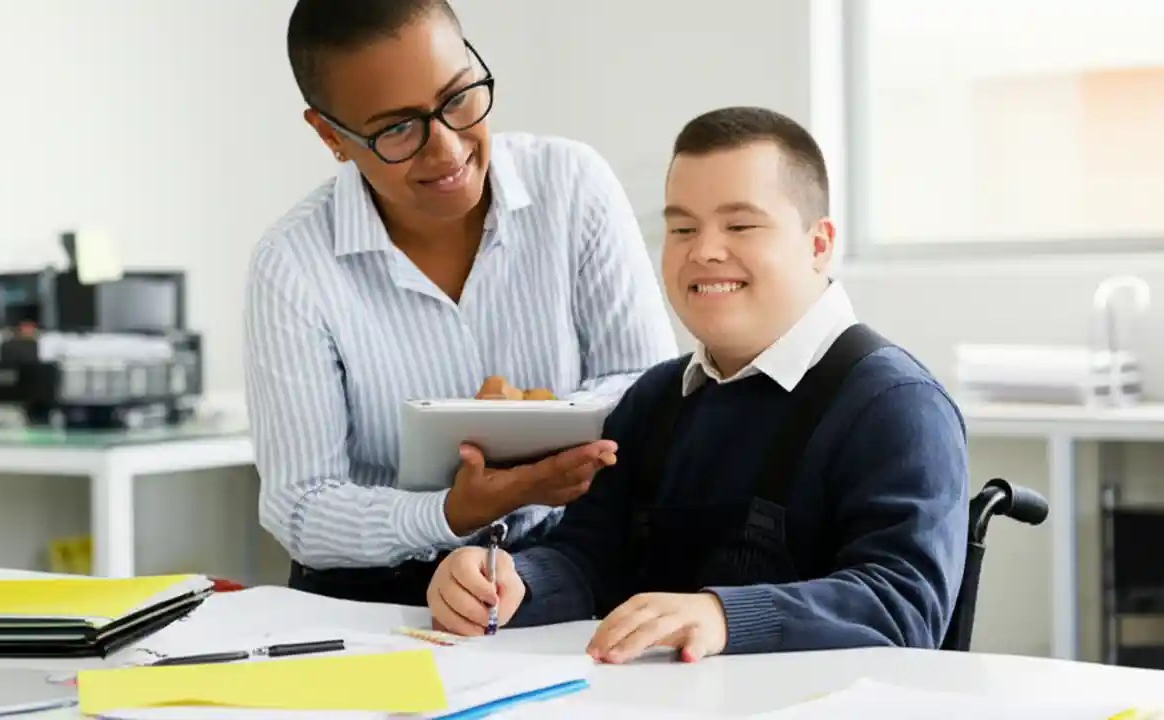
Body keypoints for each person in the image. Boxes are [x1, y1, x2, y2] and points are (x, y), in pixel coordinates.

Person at [426, 106, 970, 662]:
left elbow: (904, 605)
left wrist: (722, 616)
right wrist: (507, 583)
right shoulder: (655, 398)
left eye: (740, 225)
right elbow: (588, 557)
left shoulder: (897, 406)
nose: (704, 250)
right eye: (682, 228)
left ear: (819, 244)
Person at [244, 0, 677, 606]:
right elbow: (302, 508)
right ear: (330, 136)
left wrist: (540, 423)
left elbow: (651, 392)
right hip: (375, 599)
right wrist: (450, 511)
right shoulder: (292, 264)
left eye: (458, 98)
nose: (446, 149)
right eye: (397, 129)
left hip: (563, 571)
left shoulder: (573, 184)